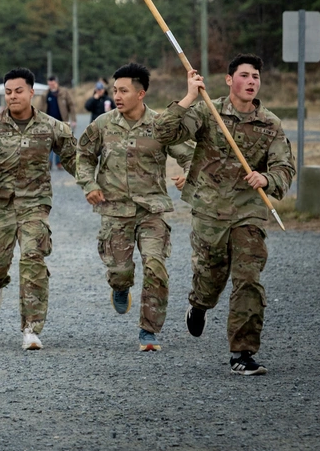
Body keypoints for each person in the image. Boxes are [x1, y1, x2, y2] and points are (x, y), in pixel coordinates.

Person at [154, 54, 295, 375]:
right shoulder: (208, 111)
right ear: (230, 80)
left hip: (248, 212)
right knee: (210, 276)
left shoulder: (270, 124)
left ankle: (242, 353)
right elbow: (164, 133)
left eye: (255, 76)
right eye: (244, 75)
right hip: (209, 209)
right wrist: (189, 96)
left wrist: (266, 179)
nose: (251, 81)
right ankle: (199, 304)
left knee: (248, 279)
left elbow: (285, 168)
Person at [75, 64, 193, 352]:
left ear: (141, 94)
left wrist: (189, 176)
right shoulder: (102, 124)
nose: (117, 96)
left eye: (124, 91)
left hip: (151, 210)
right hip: (114, 212)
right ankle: (120, 287)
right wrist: (89, 184)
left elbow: (190, 155)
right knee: (120, 271)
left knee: (155, 266)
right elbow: (84, 156)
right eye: (115, 90)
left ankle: (149, 330)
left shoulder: (161, 125)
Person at [0, 68, 76, 350]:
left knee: (33, 258)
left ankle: (31, 328)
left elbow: (76, 159)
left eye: (18, 91)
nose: (13, 96)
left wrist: (95, 184)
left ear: (31, 92)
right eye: (8, 92)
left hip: (35, 204)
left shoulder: (52, 127)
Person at [38, 75, 76, 168]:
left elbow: (71, 105)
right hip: (48, 122)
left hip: (61, 121)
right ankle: (49, 162)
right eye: (50, 84)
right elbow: (40, 108)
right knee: (49, 143)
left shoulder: (64, 92)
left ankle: (59, 162)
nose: (51, 86)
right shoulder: (45, 94)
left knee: (60, 143)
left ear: (56, 83)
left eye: (53, 84)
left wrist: (73, 119)